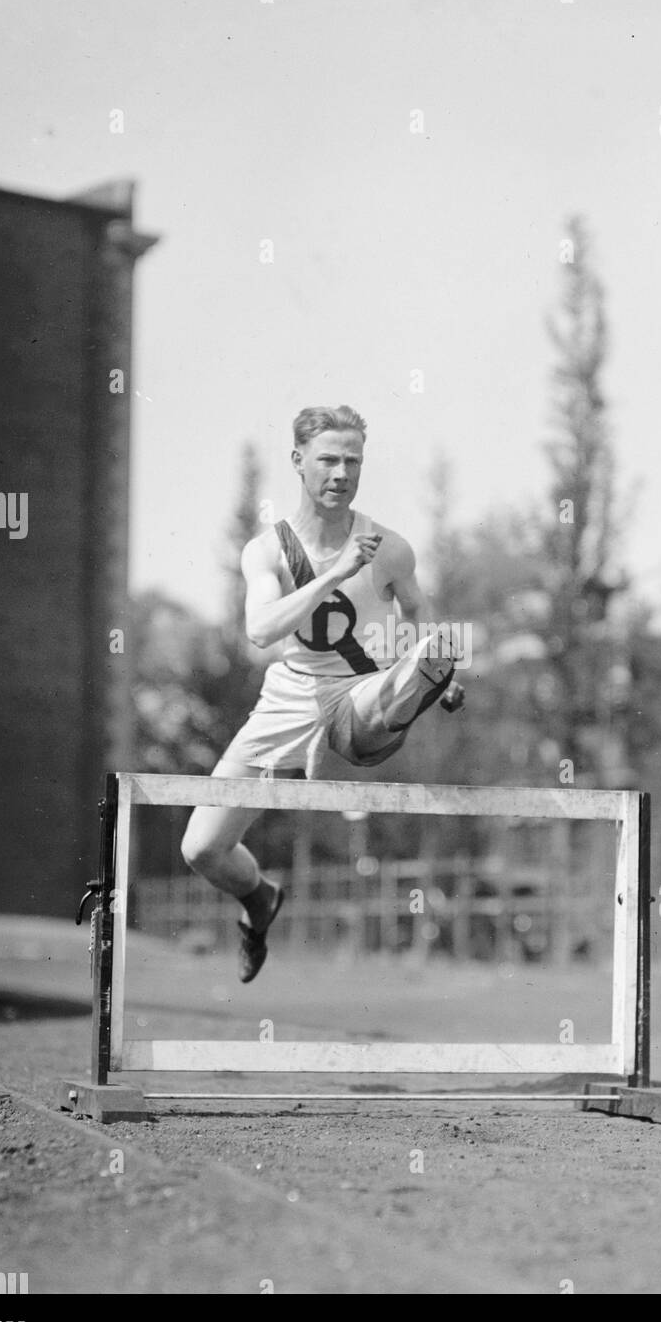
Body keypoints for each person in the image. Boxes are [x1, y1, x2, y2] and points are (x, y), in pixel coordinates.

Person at [181, 405, 463, 982]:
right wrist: (334, 575)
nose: (341, 473)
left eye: (352, 461)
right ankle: (259, 899)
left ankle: (415, 684)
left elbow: (416, 608)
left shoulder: (389, 547)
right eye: (328, 460)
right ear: (298, 463)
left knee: (370, 713)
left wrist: (441, 667)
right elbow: (261, 631)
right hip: (288, 696)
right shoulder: (266, 552)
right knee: (203, 849)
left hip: (359, 688)